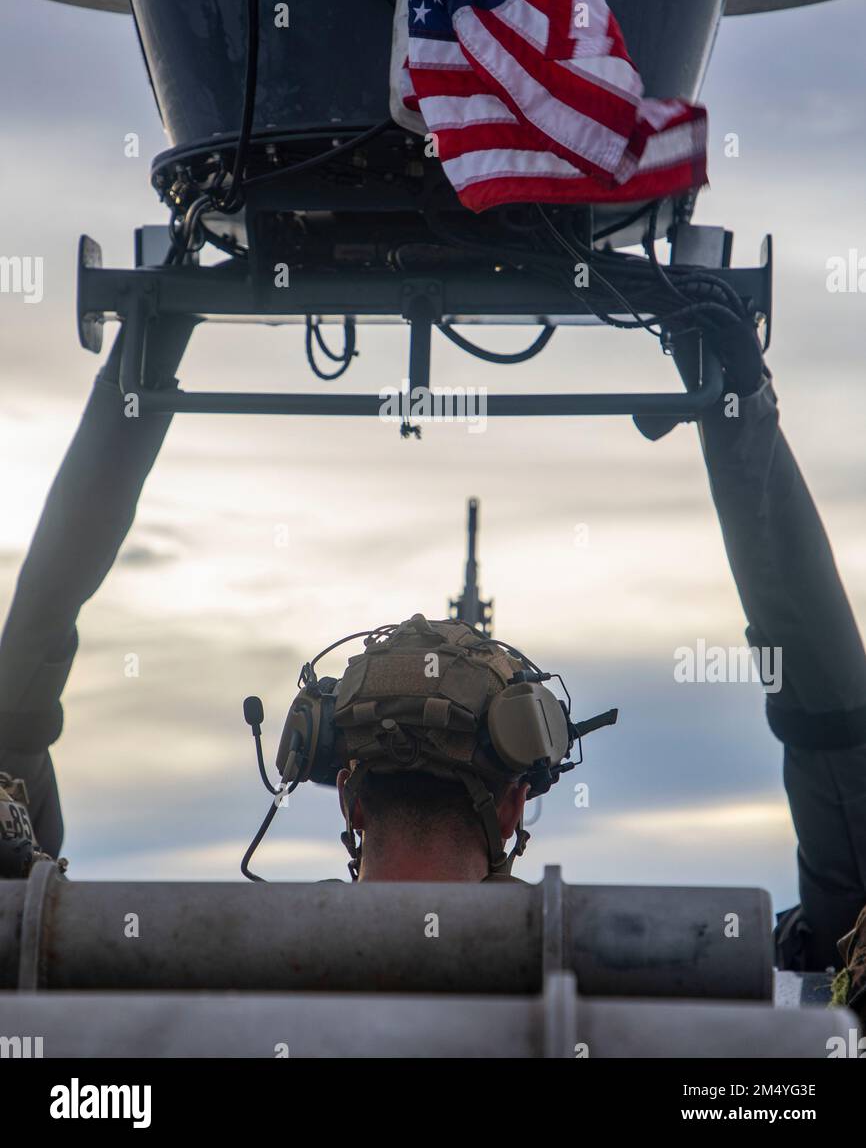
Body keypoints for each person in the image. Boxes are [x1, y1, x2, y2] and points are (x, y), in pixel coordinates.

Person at [1, 312, 865, 981]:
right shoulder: (663, 985)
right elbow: (849, 890)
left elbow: (8, 763)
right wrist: (735, 402)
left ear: (349, 800)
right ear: (511, 810)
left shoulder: (171, 968)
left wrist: (142, 354)